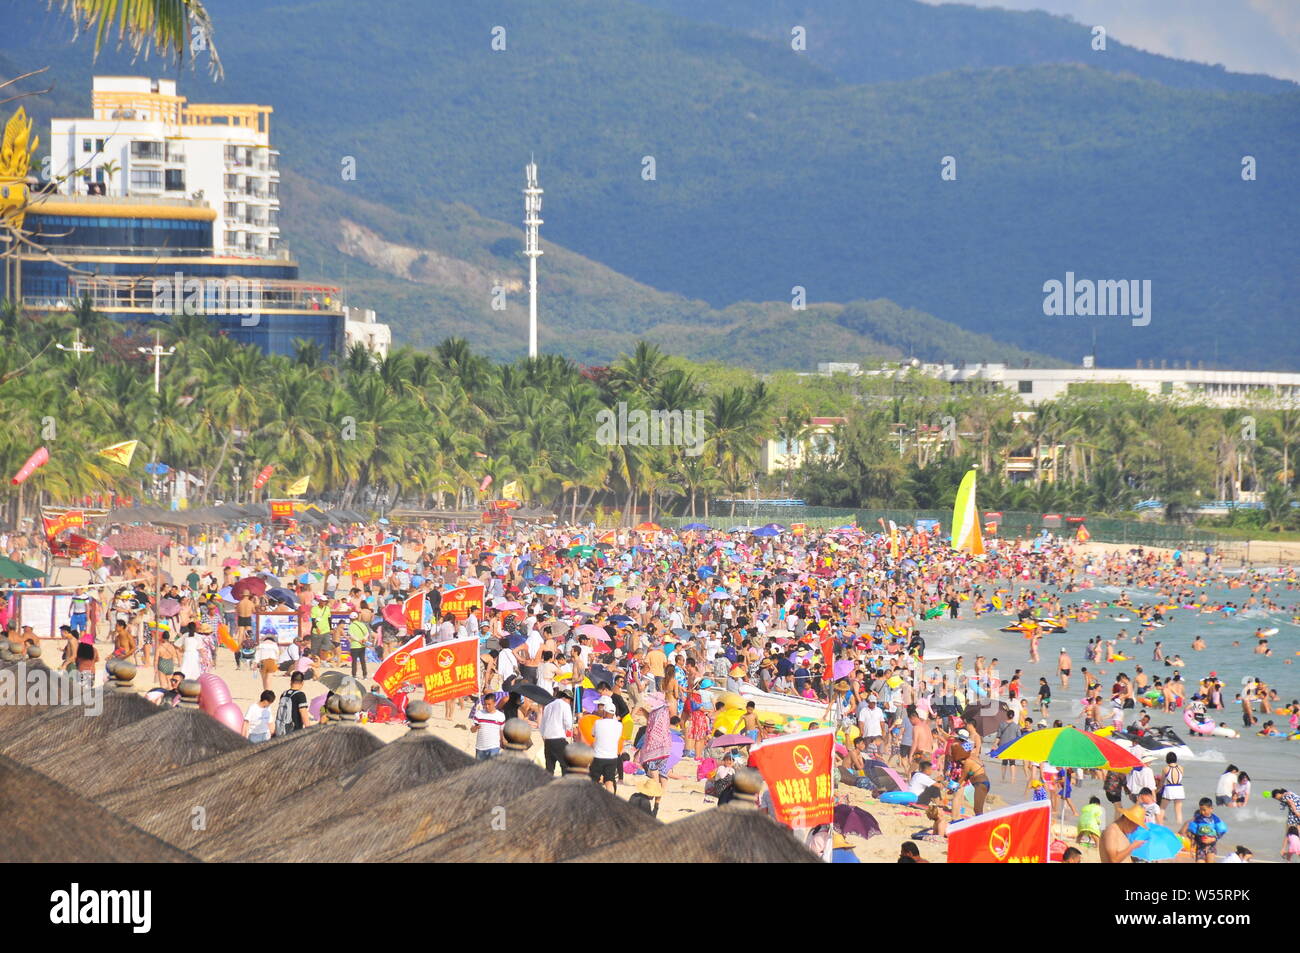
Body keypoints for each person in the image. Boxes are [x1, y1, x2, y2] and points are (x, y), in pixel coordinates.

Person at [590, 697, 623, 792]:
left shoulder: (598, 722)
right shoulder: (619, 725)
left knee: (594, 780)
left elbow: (593, 734)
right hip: (612, 757)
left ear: (604, 712)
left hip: (598, 756)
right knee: (609, 781)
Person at [1181, 797, 1228, 864]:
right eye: (1201, 810)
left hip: (1211, 845)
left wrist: (1213, 839)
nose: (1202, 812)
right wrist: (1192, 846)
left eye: (1204, 810)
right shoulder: (1197, 820)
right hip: (1200, 846)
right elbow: (1192, 833)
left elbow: (1222, 831)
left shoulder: (1215, 820)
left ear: (1211, 809)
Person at [540, 688, 573, 776]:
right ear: (568, 699)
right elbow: (568, 723)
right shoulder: (565, 705)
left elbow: (542, 725)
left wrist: (545, 738)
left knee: (549, 768)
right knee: (566, 764)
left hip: (548, 740)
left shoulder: (548, 706)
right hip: (558, 738)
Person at [470, 693, 505, 760]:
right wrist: (475, 728)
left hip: (494, 747)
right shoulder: (479, 714)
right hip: (480, 747)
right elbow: (472, 730)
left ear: (494, 703)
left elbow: (501, 731)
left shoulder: (500, 716)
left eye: (489, 704)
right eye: (485, 704)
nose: (487, 706)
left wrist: (502, 741)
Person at [1159, 751, 1185, 825]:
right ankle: (1178, 826)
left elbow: (1162, 782)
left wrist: (1158, 790)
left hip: (1169, 788)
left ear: (1167, 759)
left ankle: (1160, 824)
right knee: (1178, 810)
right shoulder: (1181, 768)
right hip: (1179, 788)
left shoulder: (1166, 768)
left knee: (1162, 808)